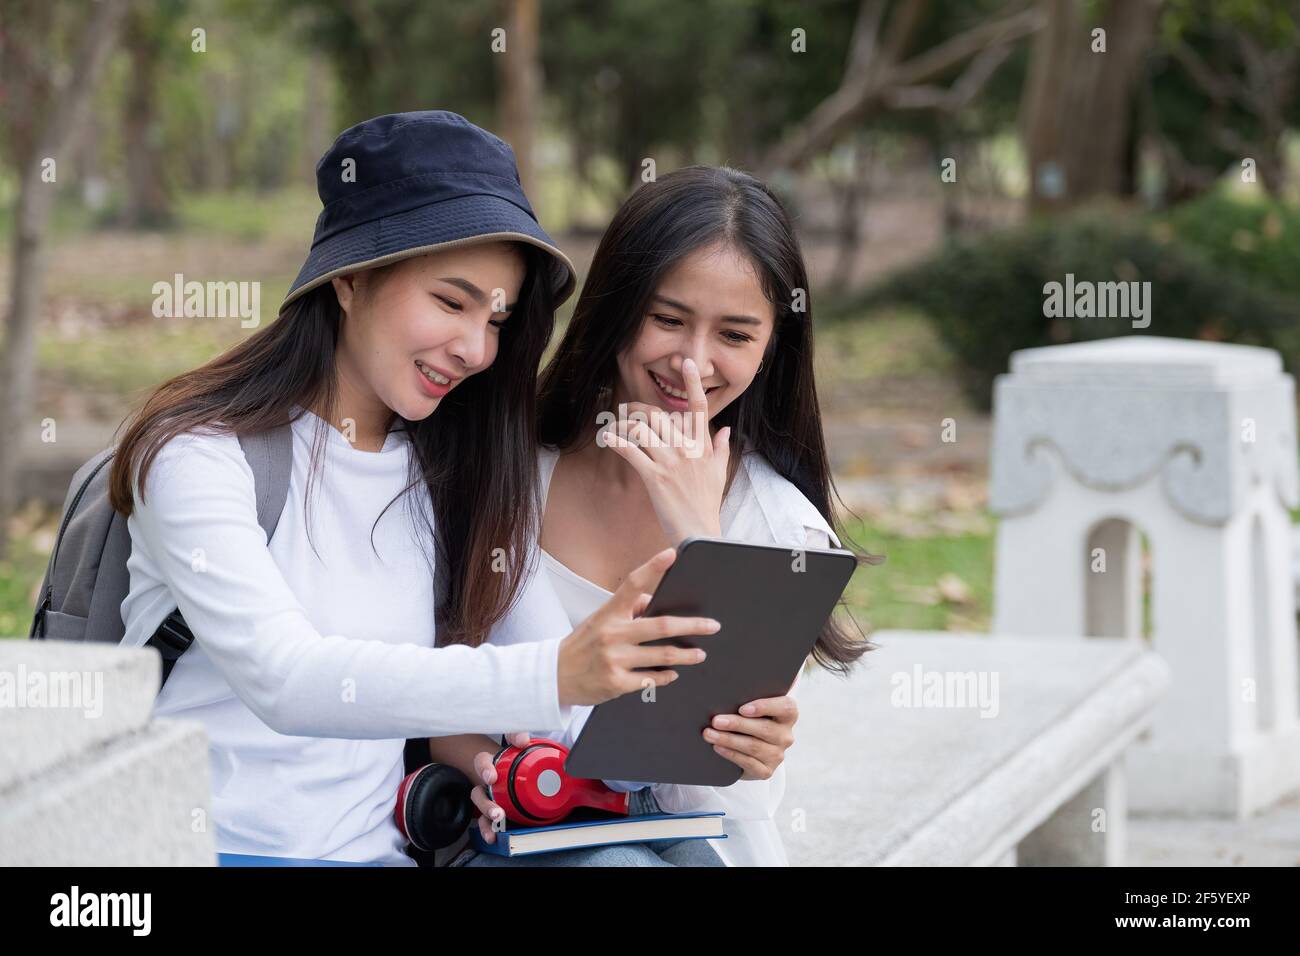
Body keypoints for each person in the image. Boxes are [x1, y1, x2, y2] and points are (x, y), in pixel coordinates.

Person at [110, 112, 718, 866]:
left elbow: (568, 723)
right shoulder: (201, 453)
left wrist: (709, 718)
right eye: (451, 302)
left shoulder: (458, 475)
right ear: (351, 276)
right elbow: (288, 680)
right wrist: (555, 670)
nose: (475, 348)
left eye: (496, 319)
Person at [448, 165, 876, 867]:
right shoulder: (510, 471)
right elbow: (444, 687)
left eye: (735, 336)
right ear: (615, 310)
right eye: (668, 319)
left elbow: (695, 781)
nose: (692, 363)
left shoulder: (781, 530)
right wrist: (483, 767)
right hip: (520, 837)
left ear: (773, 348)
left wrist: (699, 536)